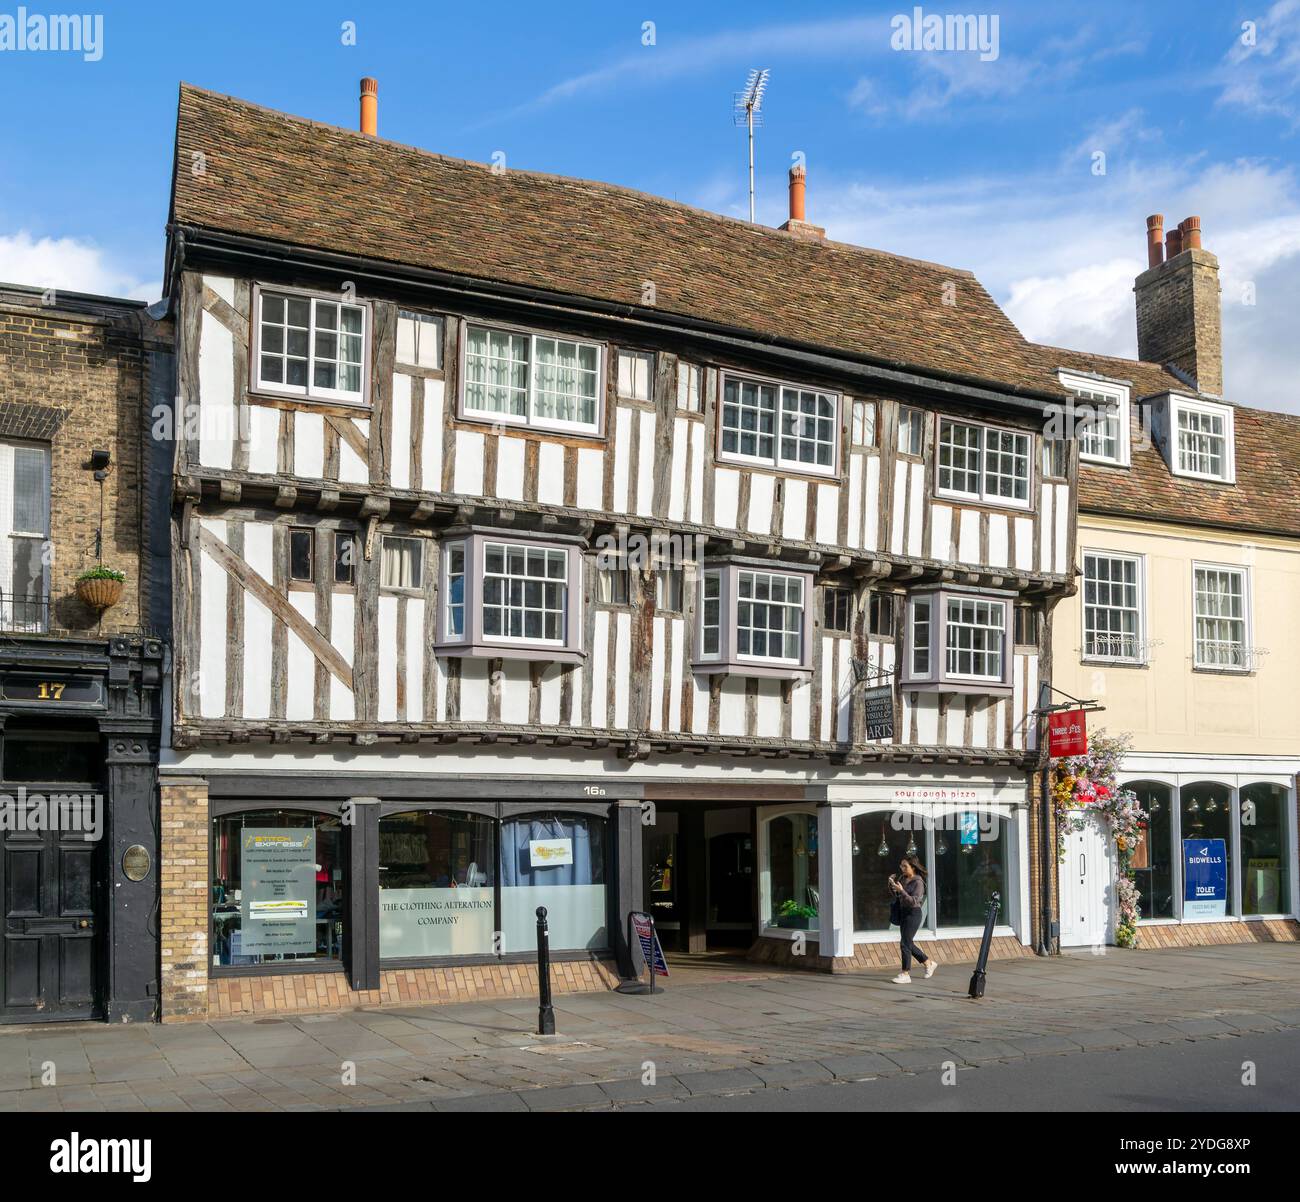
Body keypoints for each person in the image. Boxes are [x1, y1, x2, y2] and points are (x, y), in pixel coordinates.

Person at [889, 855, 938, 984]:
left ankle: (905, 973)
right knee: (908, 943)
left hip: (913, 914)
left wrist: (902, 891)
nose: (902, 868)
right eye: (901, 865)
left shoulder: (918, 882)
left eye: (905, 866)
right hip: (903, 913)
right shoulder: (903, 878)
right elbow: (899, 896)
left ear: (913, 867)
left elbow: (914, 901)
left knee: (904, 943)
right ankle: (928, 963)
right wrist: (892, 885)